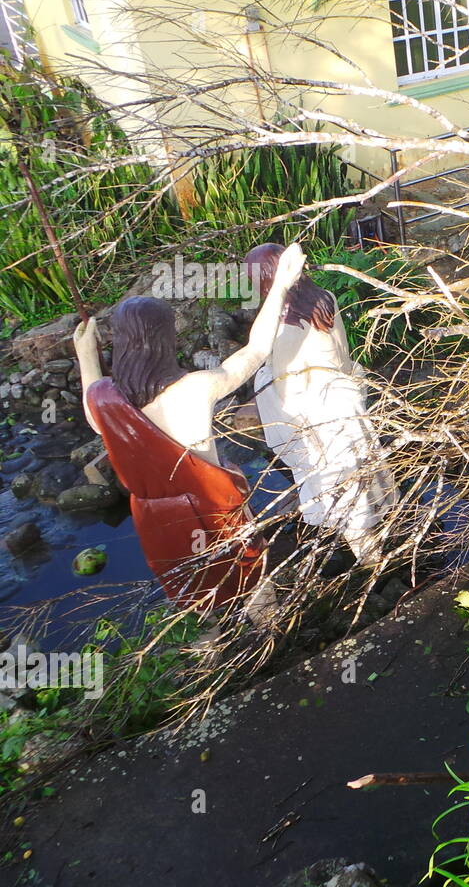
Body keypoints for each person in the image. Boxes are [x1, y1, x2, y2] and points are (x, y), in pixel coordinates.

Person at [73, 243, 307, 615]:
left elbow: (91, 404)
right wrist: (279, 285)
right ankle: (268, 632)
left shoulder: (105, 401)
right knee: (247, 569)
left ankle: (210, 647)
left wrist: (86, 353)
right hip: (212, 507)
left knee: (192, 582)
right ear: (166, 340)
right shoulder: (194, 388)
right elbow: (255, 350)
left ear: (120, 343)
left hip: (156, 519)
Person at [244, 243, 396, 567]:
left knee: (346, 499)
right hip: (347, 402)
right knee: (363, 483)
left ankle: (372, 568)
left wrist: (263, 379)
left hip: (324, 419)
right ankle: (383, 550)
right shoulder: (322, 298)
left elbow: (288, 393)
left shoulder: (285, 330)